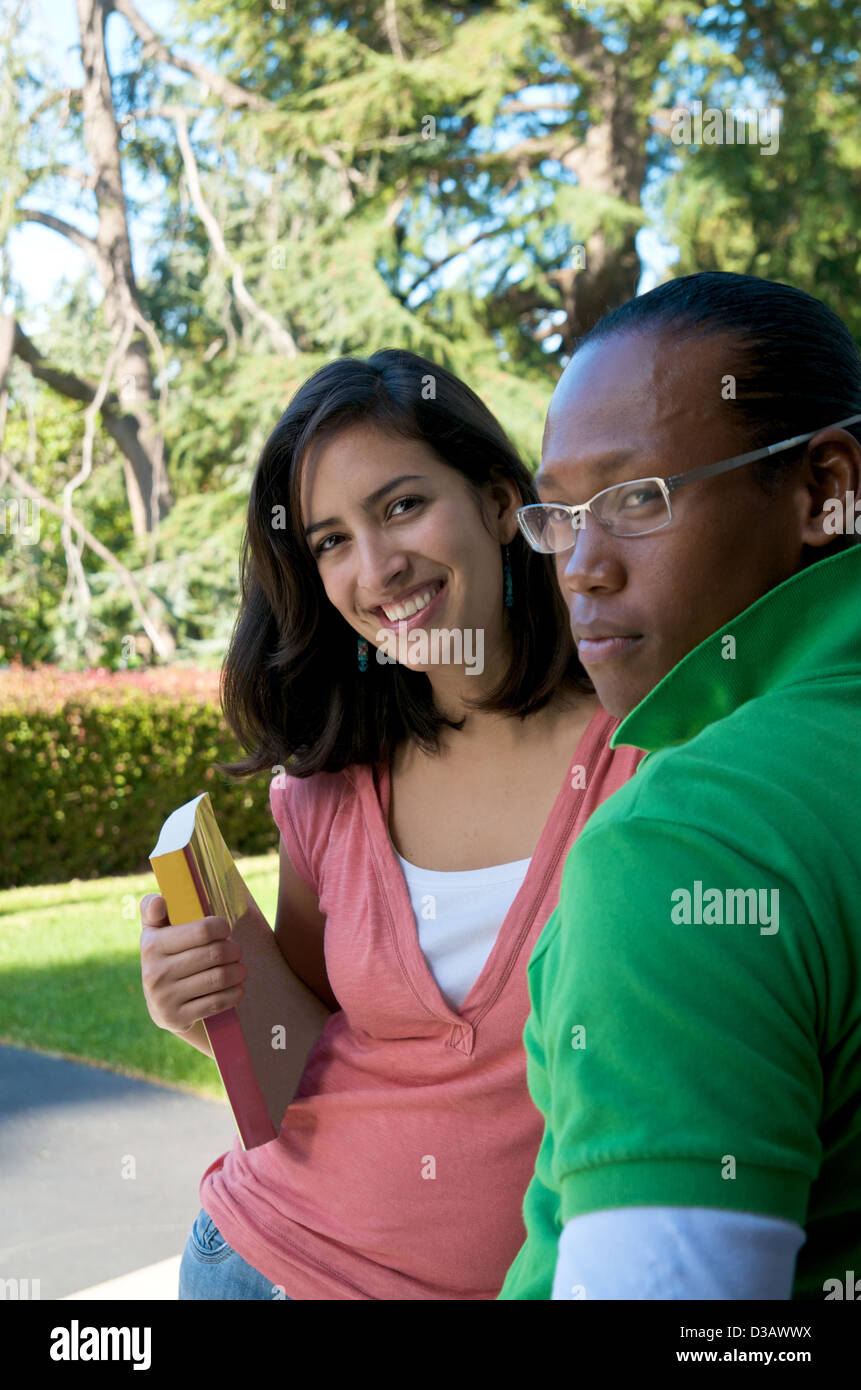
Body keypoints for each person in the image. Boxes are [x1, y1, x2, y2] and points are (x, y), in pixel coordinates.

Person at [139, 349, 644, 1299]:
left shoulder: (647, 752)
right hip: (259, 1261)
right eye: (329, 540)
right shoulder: (328, 786)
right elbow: (300, 1049)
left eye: (402, 506)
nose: (375, 570)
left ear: (500, 503)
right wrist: (200, 1009)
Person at [497, 270, 861, 1301]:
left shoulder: (690, 843)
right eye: (561, 514)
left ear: (826, 488)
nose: (581, 566)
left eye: (637, 498)